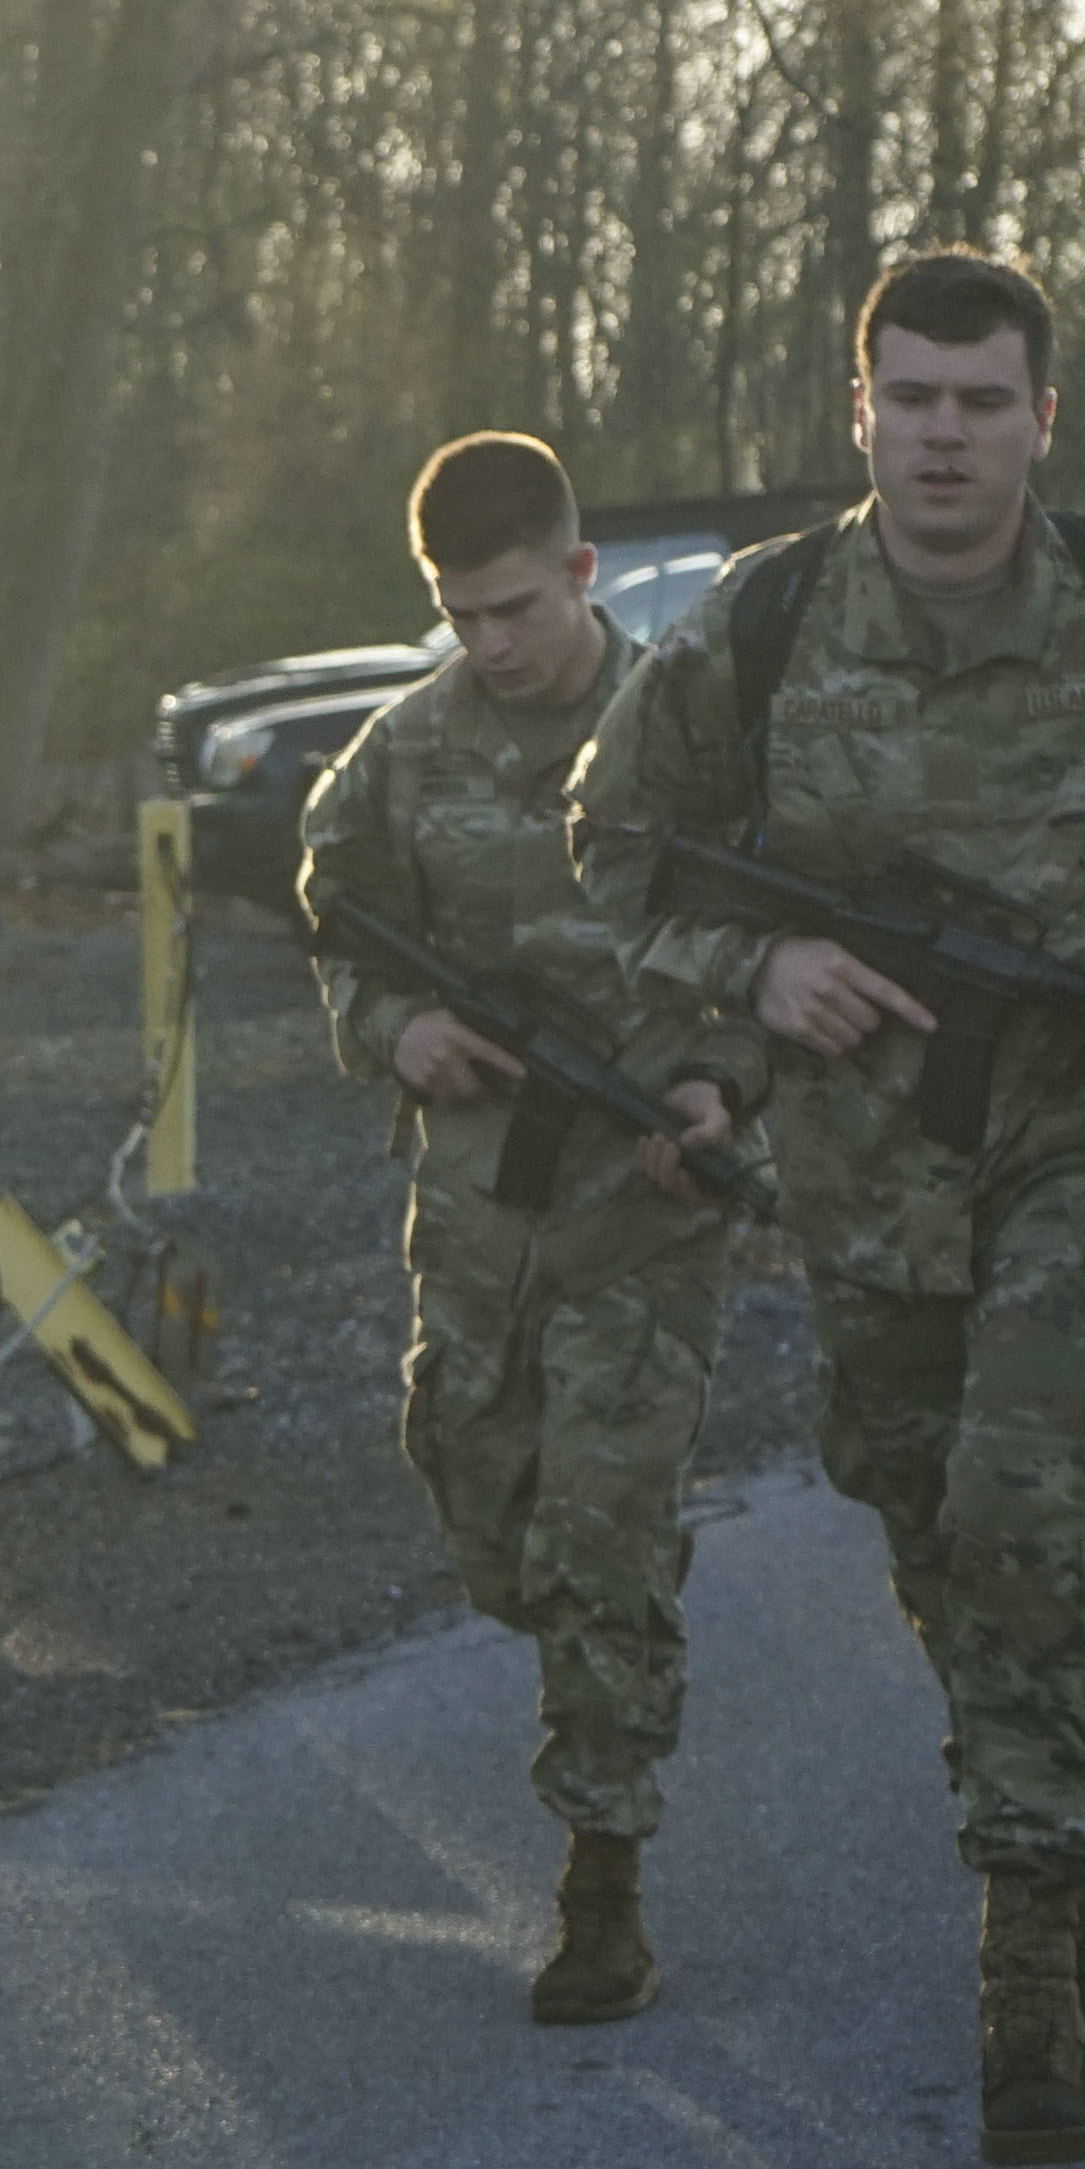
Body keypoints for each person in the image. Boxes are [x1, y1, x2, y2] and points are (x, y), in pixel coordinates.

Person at [573, 246, 1085, 2167]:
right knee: (931, 1516)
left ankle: (1032, 1925)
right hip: (867, 1163)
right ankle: (1054, 1794)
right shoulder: (758, 625)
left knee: (1022, 1491)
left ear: (1040, 420)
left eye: (983, 401)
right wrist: (752, 974)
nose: (944, 435)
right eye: (911, 397)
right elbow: (614, 845)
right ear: (861, 409)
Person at [298, 434, 753, 2022]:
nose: (488, 644)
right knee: (485, 1503)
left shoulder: (688, 735)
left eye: (511, 607)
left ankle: (602, 1883)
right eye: (455, 614)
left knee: (602, 1534)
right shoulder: (399, 755)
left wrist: (717, 1083)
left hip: (646, 1205)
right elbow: (331, 920)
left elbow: (778, 945)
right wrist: (394, 1031)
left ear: (579, 572)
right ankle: (574, 1634)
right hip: (480, 1214)